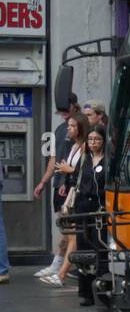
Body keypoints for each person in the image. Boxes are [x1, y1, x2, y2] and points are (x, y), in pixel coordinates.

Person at [31, 93, 79, 278]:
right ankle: (61, 265)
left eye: (65, 110)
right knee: (66, 229)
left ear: (74, 105)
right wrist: (43, 182)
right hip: (59, 183)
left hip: (70, 184)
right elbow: (53, 159)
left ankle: (60, 267)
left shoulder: (79, 127)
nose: (63, 114)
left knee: (70, 230)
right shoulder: (59, 129)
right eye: (60, 111)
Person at [40, 111, 89, 288]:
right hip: (70, 192)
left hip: (80, 195)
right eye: (68, 126)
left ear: (80, 128)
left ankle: (61, 273)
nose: (68, 129)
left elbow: (85, 172)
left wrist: (70, 171)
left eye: (72, 126)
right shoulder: (74, 146)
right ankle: (60, 269)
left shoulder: (84, 147)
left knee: (73, 235)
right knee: (68, 233)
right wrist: (65, 182)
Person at [72, 125, 109, 306]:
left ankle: (101, 291)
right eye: (91, 139)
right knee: (83, 248)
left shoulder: (108, 161)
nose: (93, 143)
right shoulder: (85, 159)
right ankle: (85, 292)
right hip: (83, 207)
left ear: (103, 141)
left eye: (97, 139)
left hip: (99, 206)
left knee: (99, 249)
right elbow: (75, 180)